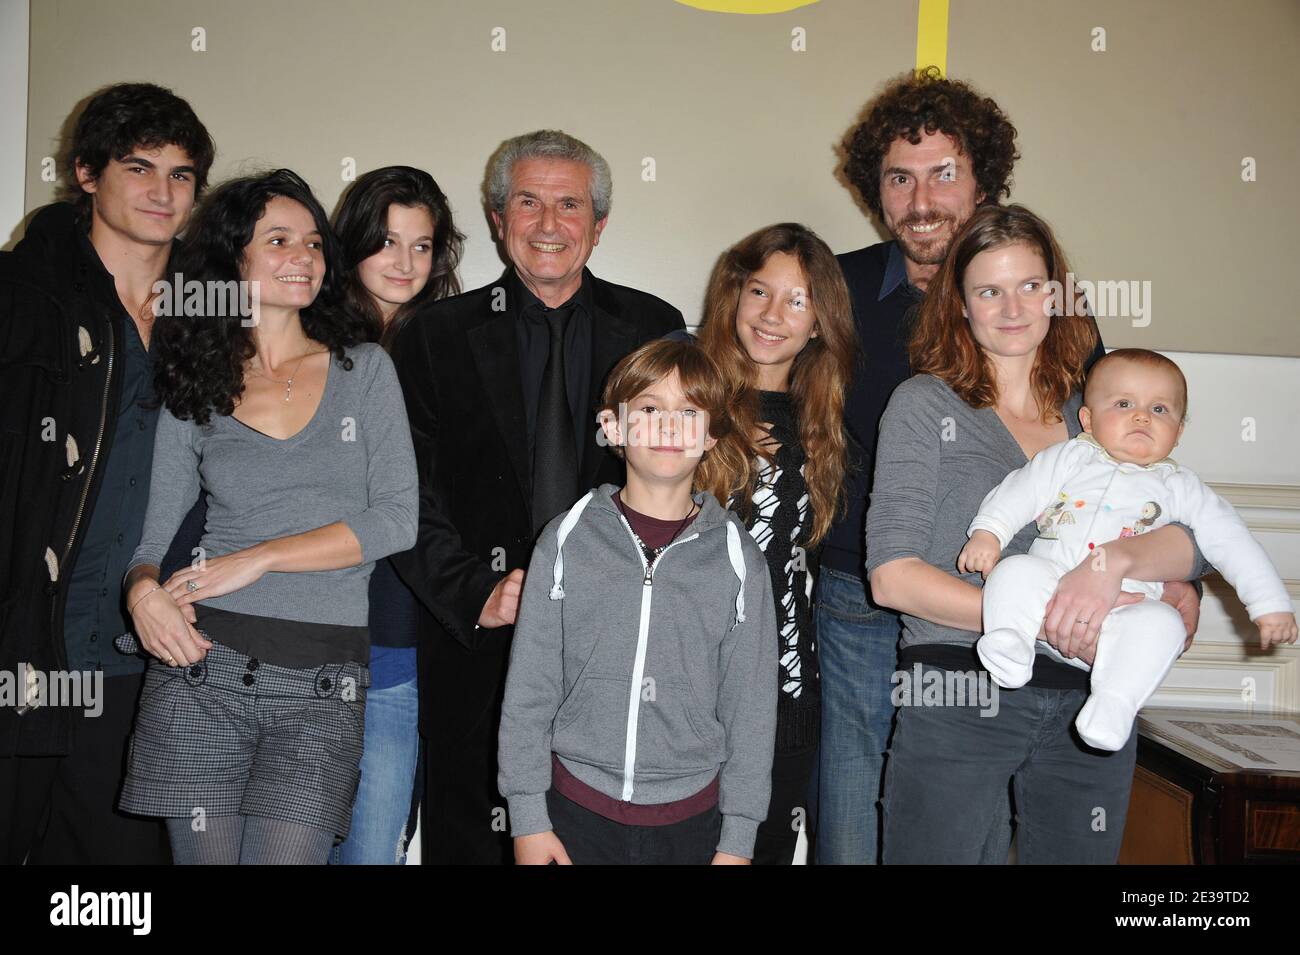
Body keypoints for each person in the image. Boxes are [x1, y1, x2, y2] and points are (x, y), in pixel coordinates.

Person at [867, 204, 1209, 864]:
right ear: (960, 305)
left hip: (1088, 694)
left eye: (1029, 286)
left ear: (1056, 294)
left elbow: (1189, 534)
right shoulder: (924, 405)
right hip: (959, 685)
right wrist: (1049, 617)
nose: (1012, 307)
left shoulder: (1099, 413)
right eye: (988, 290)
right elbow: (891, 575)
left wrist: (1168, 578)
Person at [389, 129, 684, 864]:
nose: (548, 224)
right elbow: (403, 494)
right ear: (497, 218)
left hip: (620, 659)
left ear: (599, 223)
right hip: (478, 655)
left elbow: (685, 484)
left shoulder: (654, 328)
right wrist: (475, 592)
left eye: (569, 204)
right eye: (528, 202)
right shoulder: (432, 335)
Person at [117, 169, 417, 864]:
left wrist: (259, 557)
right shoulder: (196, 379)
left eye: (314, 243)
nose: (304, 256)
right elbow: (153, 536)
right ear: (234, 260)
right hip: (201, 672)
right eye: (279, 239)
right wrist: (142, 591)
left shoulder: (364, 369)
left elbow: (397, 520)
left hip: (321, 682)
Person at [0, 82, 214, 865]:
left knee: (115, 891)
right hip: (27, 640)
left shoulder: (212, 313)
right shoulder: (23, 294)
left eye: (182, 174)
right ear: (86, 173)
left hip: (143, 650)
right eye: (139, 167)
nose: (163, 192)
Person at [498, 338, 778, 864]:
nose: (669, 427)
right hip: (574, 810)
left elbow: (752, 708)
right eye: (649, 409)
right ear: (614, 427)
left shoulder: (739, 558)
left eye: (688, 411)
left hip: (694, 821)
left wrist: (738, 841)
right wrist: (528, 819)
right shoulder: (565, 540)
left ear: (712, 432)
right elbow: (530, 688)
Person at [959, 348, 1296, 751]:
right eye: (1124, 404)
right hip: (1050, 588)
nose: (1142, 417)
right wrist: (988, 534)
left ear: (1179, 431)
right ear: (1087, 419)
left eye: (1159, 409)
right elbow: (1018, 492)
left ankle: (1114, 703)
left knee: (1165, 625)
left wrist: (1269, 604)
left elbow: (1233, 542)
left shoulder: (1182, 487)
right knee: (1013, 572)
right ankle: (1009, 641)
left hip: (1126, 611)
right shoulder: (1070, 458)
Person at [697, 223, 855, 864]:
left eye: (798, 300)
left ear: (820, 321)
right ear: (733, 296)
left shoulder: (830, 428)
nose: (772, 315)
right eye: (760, 291)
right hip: (681, 689)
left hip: (786, 690)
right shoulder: (683, 401)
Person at [329, 166, 465, 864]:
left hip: (396, 638)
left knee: (371, 848)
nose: (405, 262)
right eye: (386, 242)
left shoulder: (452, 349)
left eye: (421, 245)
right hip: (297, 631)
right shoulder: (302, 344)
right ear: (351, 244)